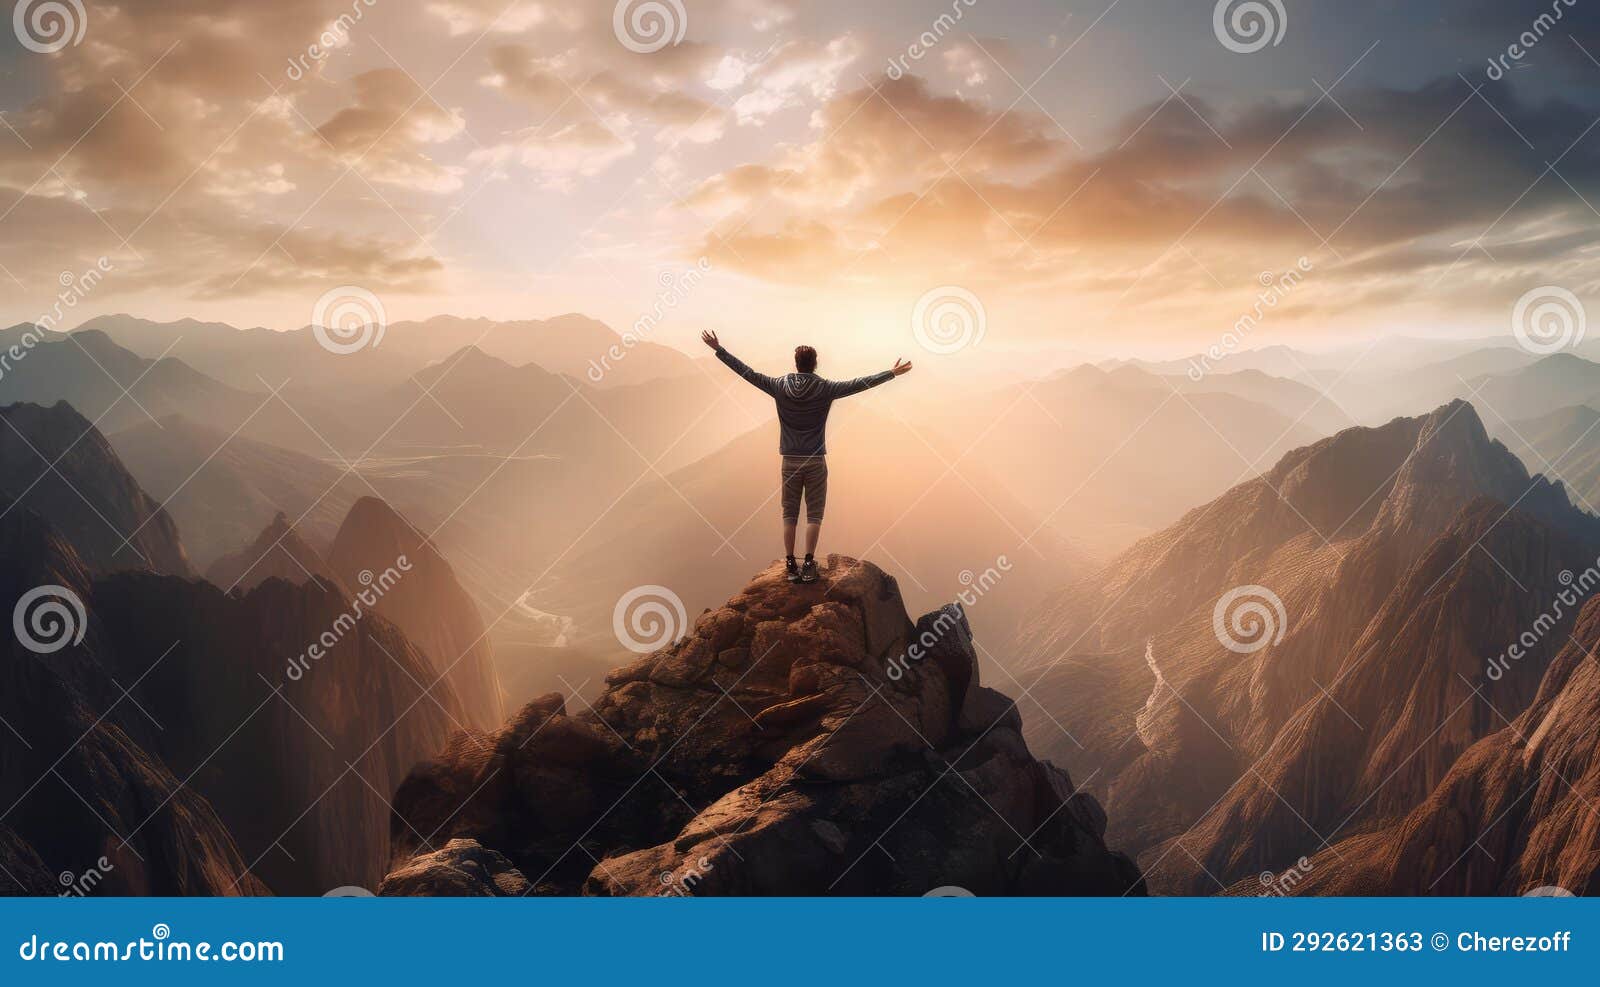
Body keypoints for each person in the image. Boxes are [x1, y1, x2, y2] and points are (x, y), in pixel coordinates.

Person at [702, 330, 912, 583]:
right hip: (815, 460)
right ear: (815, 364)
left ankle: (790, 563)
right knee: (814, 513)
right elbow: (859, 383)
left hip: (789, 460)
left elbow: (748, 373)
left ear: (796, 363)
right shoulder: (825, 388)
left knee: (789, 513)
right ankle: (809, 563)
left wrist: (719, 350)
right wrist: (890, 373)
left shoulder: (779, 386)